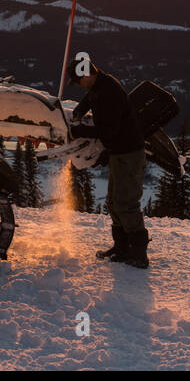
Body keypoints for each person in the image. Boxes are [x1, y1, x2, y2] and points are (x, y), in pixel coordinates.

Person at [69, 61, 150, 268]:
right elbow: (89, 100)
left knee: (126, 203)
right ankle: (121, 247)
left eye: (78, 81)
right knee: (114, 202)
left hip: (129, 153)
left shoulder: (109, 92)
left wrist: (79, 132)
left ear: (87, 75)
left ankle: (139, 254)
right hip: (119, 151)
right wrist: (78, 112)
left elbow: (109, 131)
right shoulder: (99, 85)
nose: (78, 85)